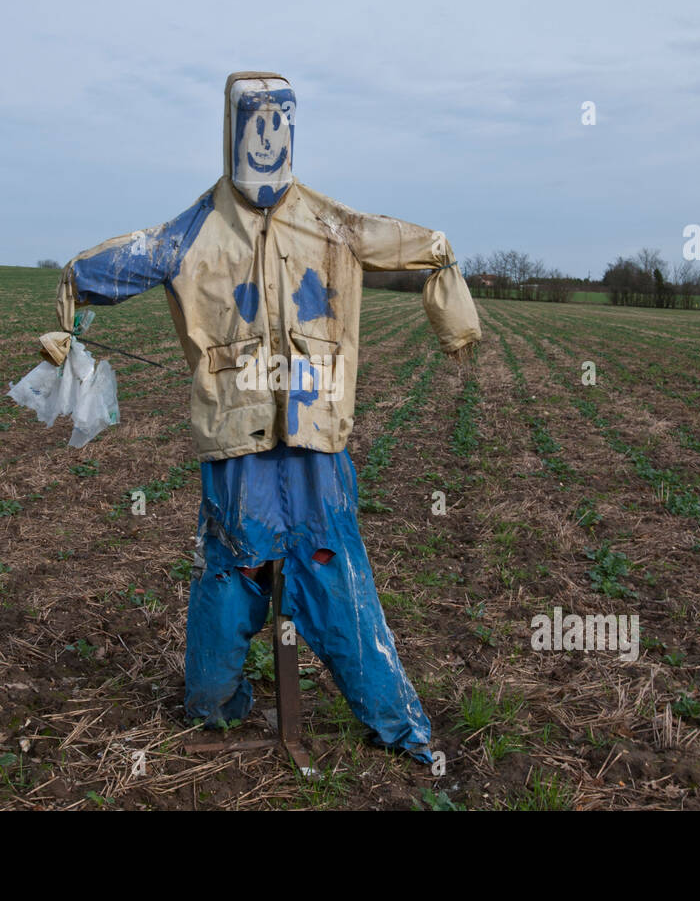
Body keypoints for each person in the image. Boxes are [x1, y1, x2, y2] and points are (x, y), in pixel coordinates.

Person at [47, 72, 480, 762]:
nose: (268, 134)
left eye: (279, 119)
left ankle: (237, 707)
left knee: (295, 574)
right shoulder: (200, 232)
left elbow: (429, 248)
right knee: (250, 575)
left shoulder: (309, 225)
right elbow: (94, 272)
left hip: (300, 443)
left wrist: (68, 311)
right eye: (258, 119)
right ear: (234, 126)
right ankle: (249, 706)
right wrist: (68, 317)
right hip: (254, 446)